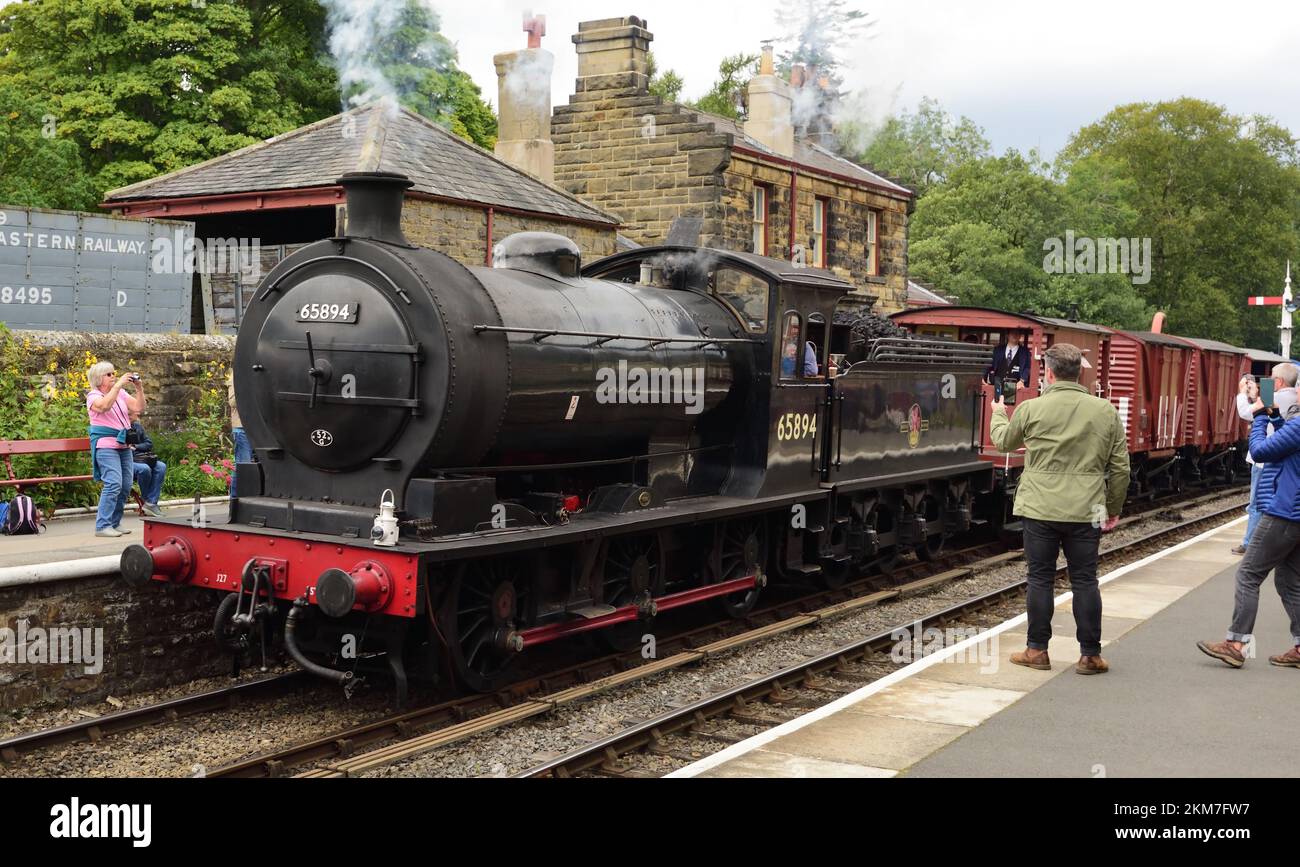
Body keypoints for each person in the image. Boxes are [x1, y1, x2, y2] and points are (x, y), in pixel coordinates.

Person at [989, 342, 1130, 675]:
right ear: (1080, 372)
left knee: (1040, 578)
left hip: (1040, 507)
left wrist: (998, 411)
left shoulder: (1031, 409)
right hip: (1087, 508)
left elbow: (1004, 442)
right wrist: (1112, 508)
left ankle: (1036, 651)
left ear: (1048, 373)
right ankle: (1090, 655)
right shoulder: (1105, 410)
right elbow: (1121, 468)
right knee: (1085, 580)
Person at [1198, 363, 1300, 669]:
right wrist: (1273, 417)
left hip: (1285, 512)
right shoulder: (1294, 425)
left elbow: (1259, 451)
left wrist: (1257, 417)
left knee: (1248, 575)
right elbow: (1287, 444)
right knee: (1289, 580)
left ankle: (1236, 644)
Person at [1232, 367, 1298, 553]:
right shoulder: (1293, 400)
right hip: (1283, 458)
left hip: (1264, 459)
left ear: (1278, 382)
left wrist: (1242, 393)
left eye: (1271, 379)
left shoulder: (1273, 399)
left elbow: (1247, 413)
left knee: (1256, 504)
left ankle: (1249, 543)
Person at [86, 361, 145, 538]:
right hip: (106, 445)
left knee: (126, 485)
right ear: (99, 379)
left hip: (123, 445)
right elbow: (104, 406)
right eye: (109, 375)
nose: (113, 377)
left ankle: (114, 522)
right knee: (113, 483)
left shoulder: (120, 393)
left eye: (114, 374)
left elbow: (139, 408)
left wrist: (139, 388)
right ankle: (102, 525)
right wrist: (118, 385)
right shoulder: (93, 396)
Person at [128, 408, 166, 518]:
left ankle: (150, 503)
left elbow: (148, 443)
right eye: (135, 412)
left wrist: (136, 447)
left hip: (141, 459)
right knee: (144, 469)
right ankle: (147, 500)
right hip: (127, 462)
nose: (137, 414)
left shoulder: (137, 426)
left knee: (161, 466)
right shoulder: (119, 427)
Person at [228, 369, 252, 498]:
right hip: (241, 427)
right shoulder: (236, 374)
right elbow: (232, 402)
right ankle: (235, 500)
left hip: (256, 428)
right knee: (243, 464)